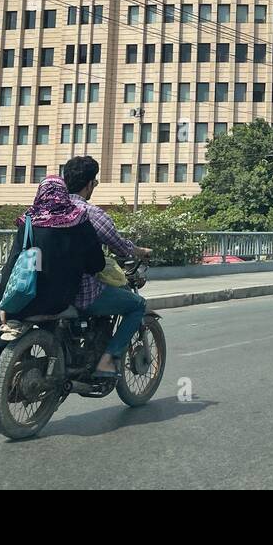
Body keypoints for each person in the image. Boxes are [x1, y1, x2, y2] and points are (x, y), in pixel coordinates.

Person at [0, 175, 105, 409]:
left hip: (28, 299)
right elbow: (97, 264)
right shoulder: (80, 220)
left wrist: (1, 301)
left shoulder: (29, 221)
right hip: (62, 300)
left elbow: (15, 264)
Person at [58, 155, 153, 380]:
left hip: (45, 290)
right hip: (80, 294)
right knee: (137, 305)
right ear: (90, 184)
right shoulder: (91, 214)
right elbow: (119, 245)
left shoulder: (44, 210)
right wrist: (140, 251)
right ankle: (107, 361)